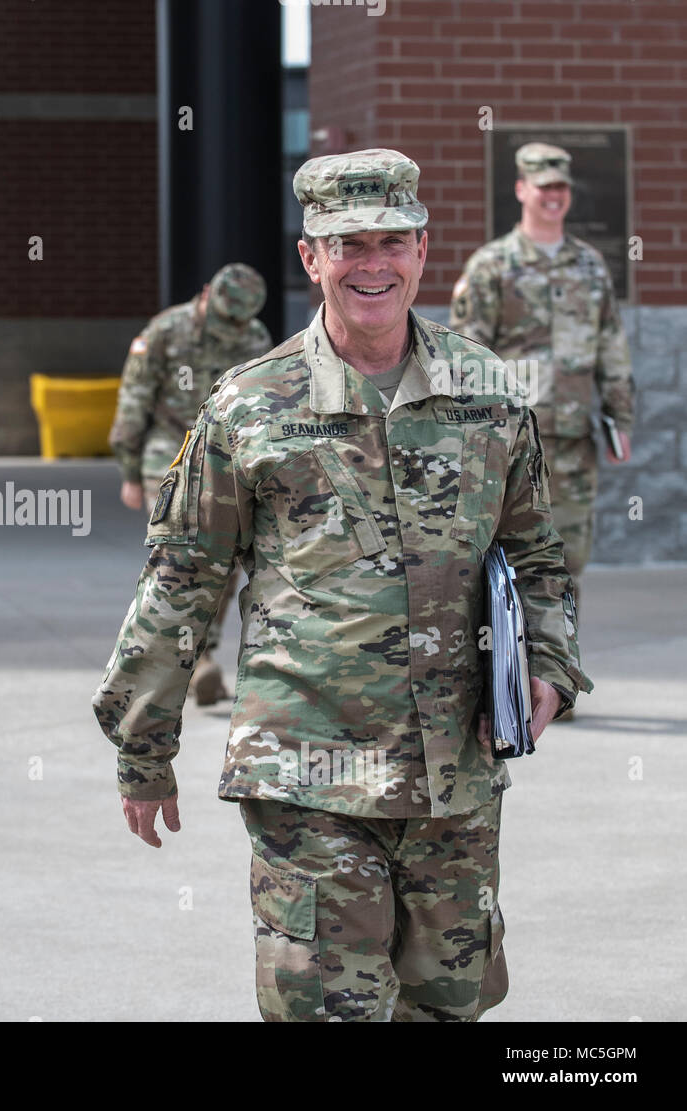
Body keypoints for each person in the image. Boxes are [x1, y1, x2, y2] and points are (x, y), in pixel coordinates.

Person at [93, 148, 591, 1022]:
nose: (372, 263)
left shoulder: (489, 394)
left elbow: (537, 557)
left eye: (391, 240)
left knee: (447, 1006)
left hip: (457, 775)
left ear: (423, 249)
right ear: (310, 258)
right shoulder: (250, 405)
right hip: (307, 776)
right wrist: (144, 747)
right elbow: (182, 581)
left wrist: (547, 660)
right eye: (347, 242)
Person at [449, 141, 634, 636]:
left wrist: (621, 417)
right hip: (510, 443)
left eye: (561, 188)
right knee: (506, 558)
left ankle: (557, 677)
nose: (554, 196)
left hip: (573, 443)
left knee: (569, 558)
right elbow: (467, 356)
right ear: (522, 190)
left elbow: (611, 344)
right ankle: (509, 678)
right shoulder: (492, 266)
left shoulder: (590, 266)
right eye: (544, 187)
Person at [108, 262, 272, 704]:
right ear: (205, 295)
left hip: (228, 454)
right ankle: (165, 667)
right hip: (171, 449)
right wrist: (128, 471)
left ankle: (199, 655)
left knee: (226, 561)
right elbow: (134, 398)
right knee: (180, 558)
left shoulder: (255, 337)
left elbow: (263, 405)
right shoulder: (164, 331)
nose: (228, 332)